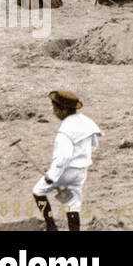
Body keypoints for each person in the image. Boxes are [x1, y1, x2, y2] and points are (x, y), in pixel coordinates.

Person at [32, 91, 100, 233]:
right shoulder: (87, 121)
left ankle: (51, 226)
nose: (54, 112)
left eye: (55, 109)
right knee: (73, 203)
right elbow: (94, 144)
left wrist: (52, 176)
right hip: (81, 170)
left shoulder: (64, 131)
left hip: (65, 171)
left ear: (63, 110)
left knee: (38, 191)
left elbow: (63, 157)